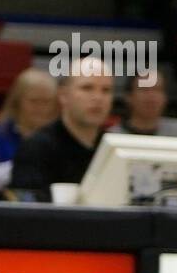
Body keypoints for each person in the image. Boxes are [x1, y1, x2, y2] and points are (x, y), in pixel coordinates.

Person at [8, 59, 114, 199]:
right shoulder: (36, 148)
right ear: (63, 95)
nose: (98, 98)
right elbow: (26, 214)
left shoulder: (114, 148)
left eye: (106, 90)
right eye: (87, 88)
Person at [0, 69, 59, 196]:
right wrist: (18, 168)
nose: (40, 108)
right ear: (17, 102)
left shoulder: (61, 138)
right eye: (34, 101)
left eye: (46, 102)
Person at [108, 71, 177, 137]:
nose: (151, 96)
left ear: (165, 97)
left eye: (157, 89)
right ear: (129, 97)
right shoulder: (112, 135)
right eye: (144, 89)